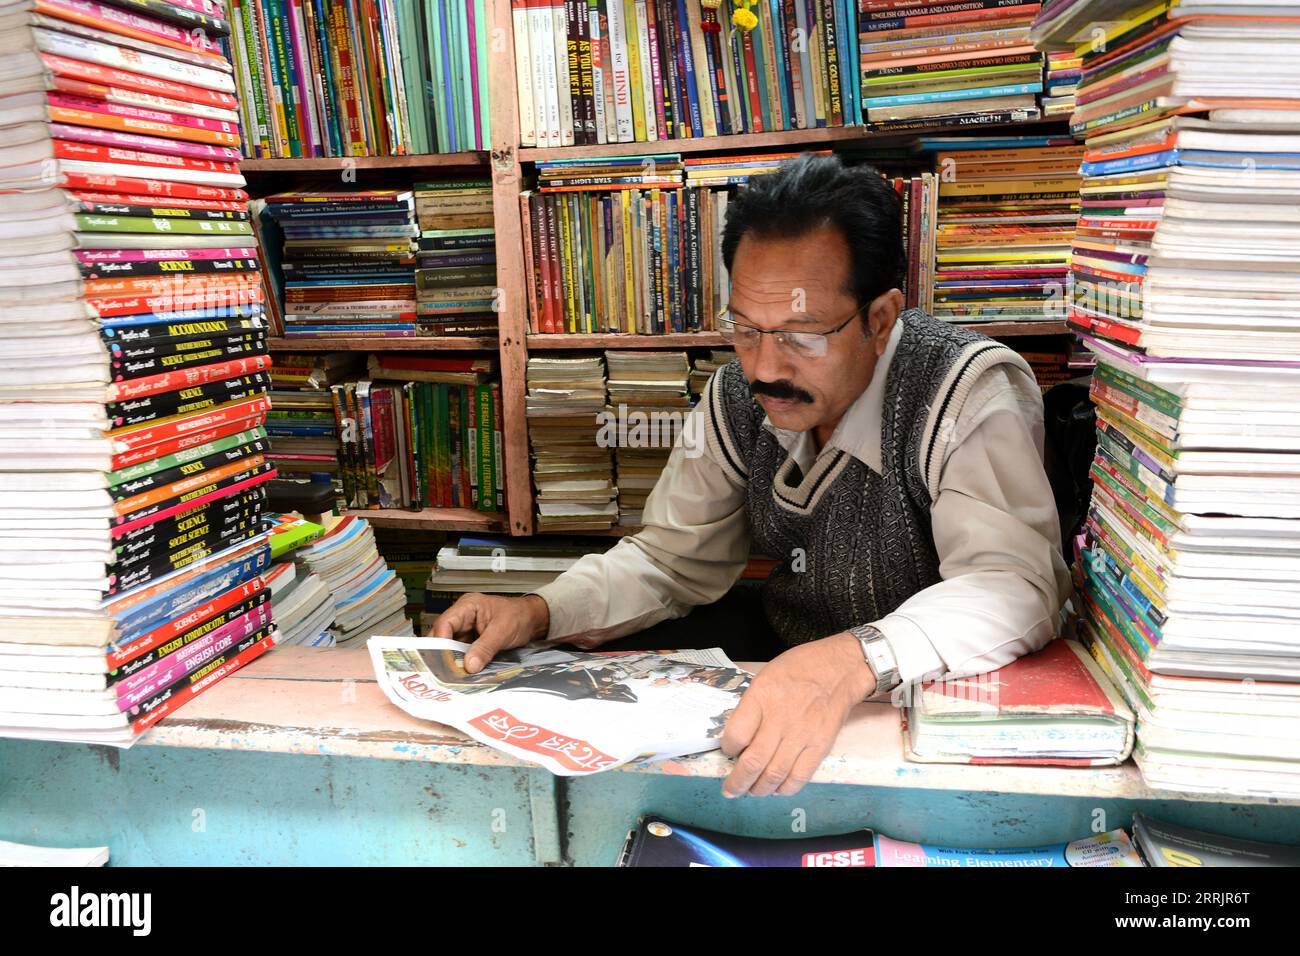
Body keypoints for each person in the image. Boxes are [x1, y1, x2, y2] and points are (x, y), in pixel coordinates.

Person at [429, 153, 1071, 798]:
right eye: (745, 327)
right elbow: (669, 561)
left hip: (942, 720)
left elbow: (1012, 584)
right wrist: (540, 611)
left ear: (880, 319)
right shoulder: (739, 390)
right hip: (789, 695)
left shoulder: (965, 390)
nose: (764, 366)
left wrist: (852, 661)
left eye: (801, 333)